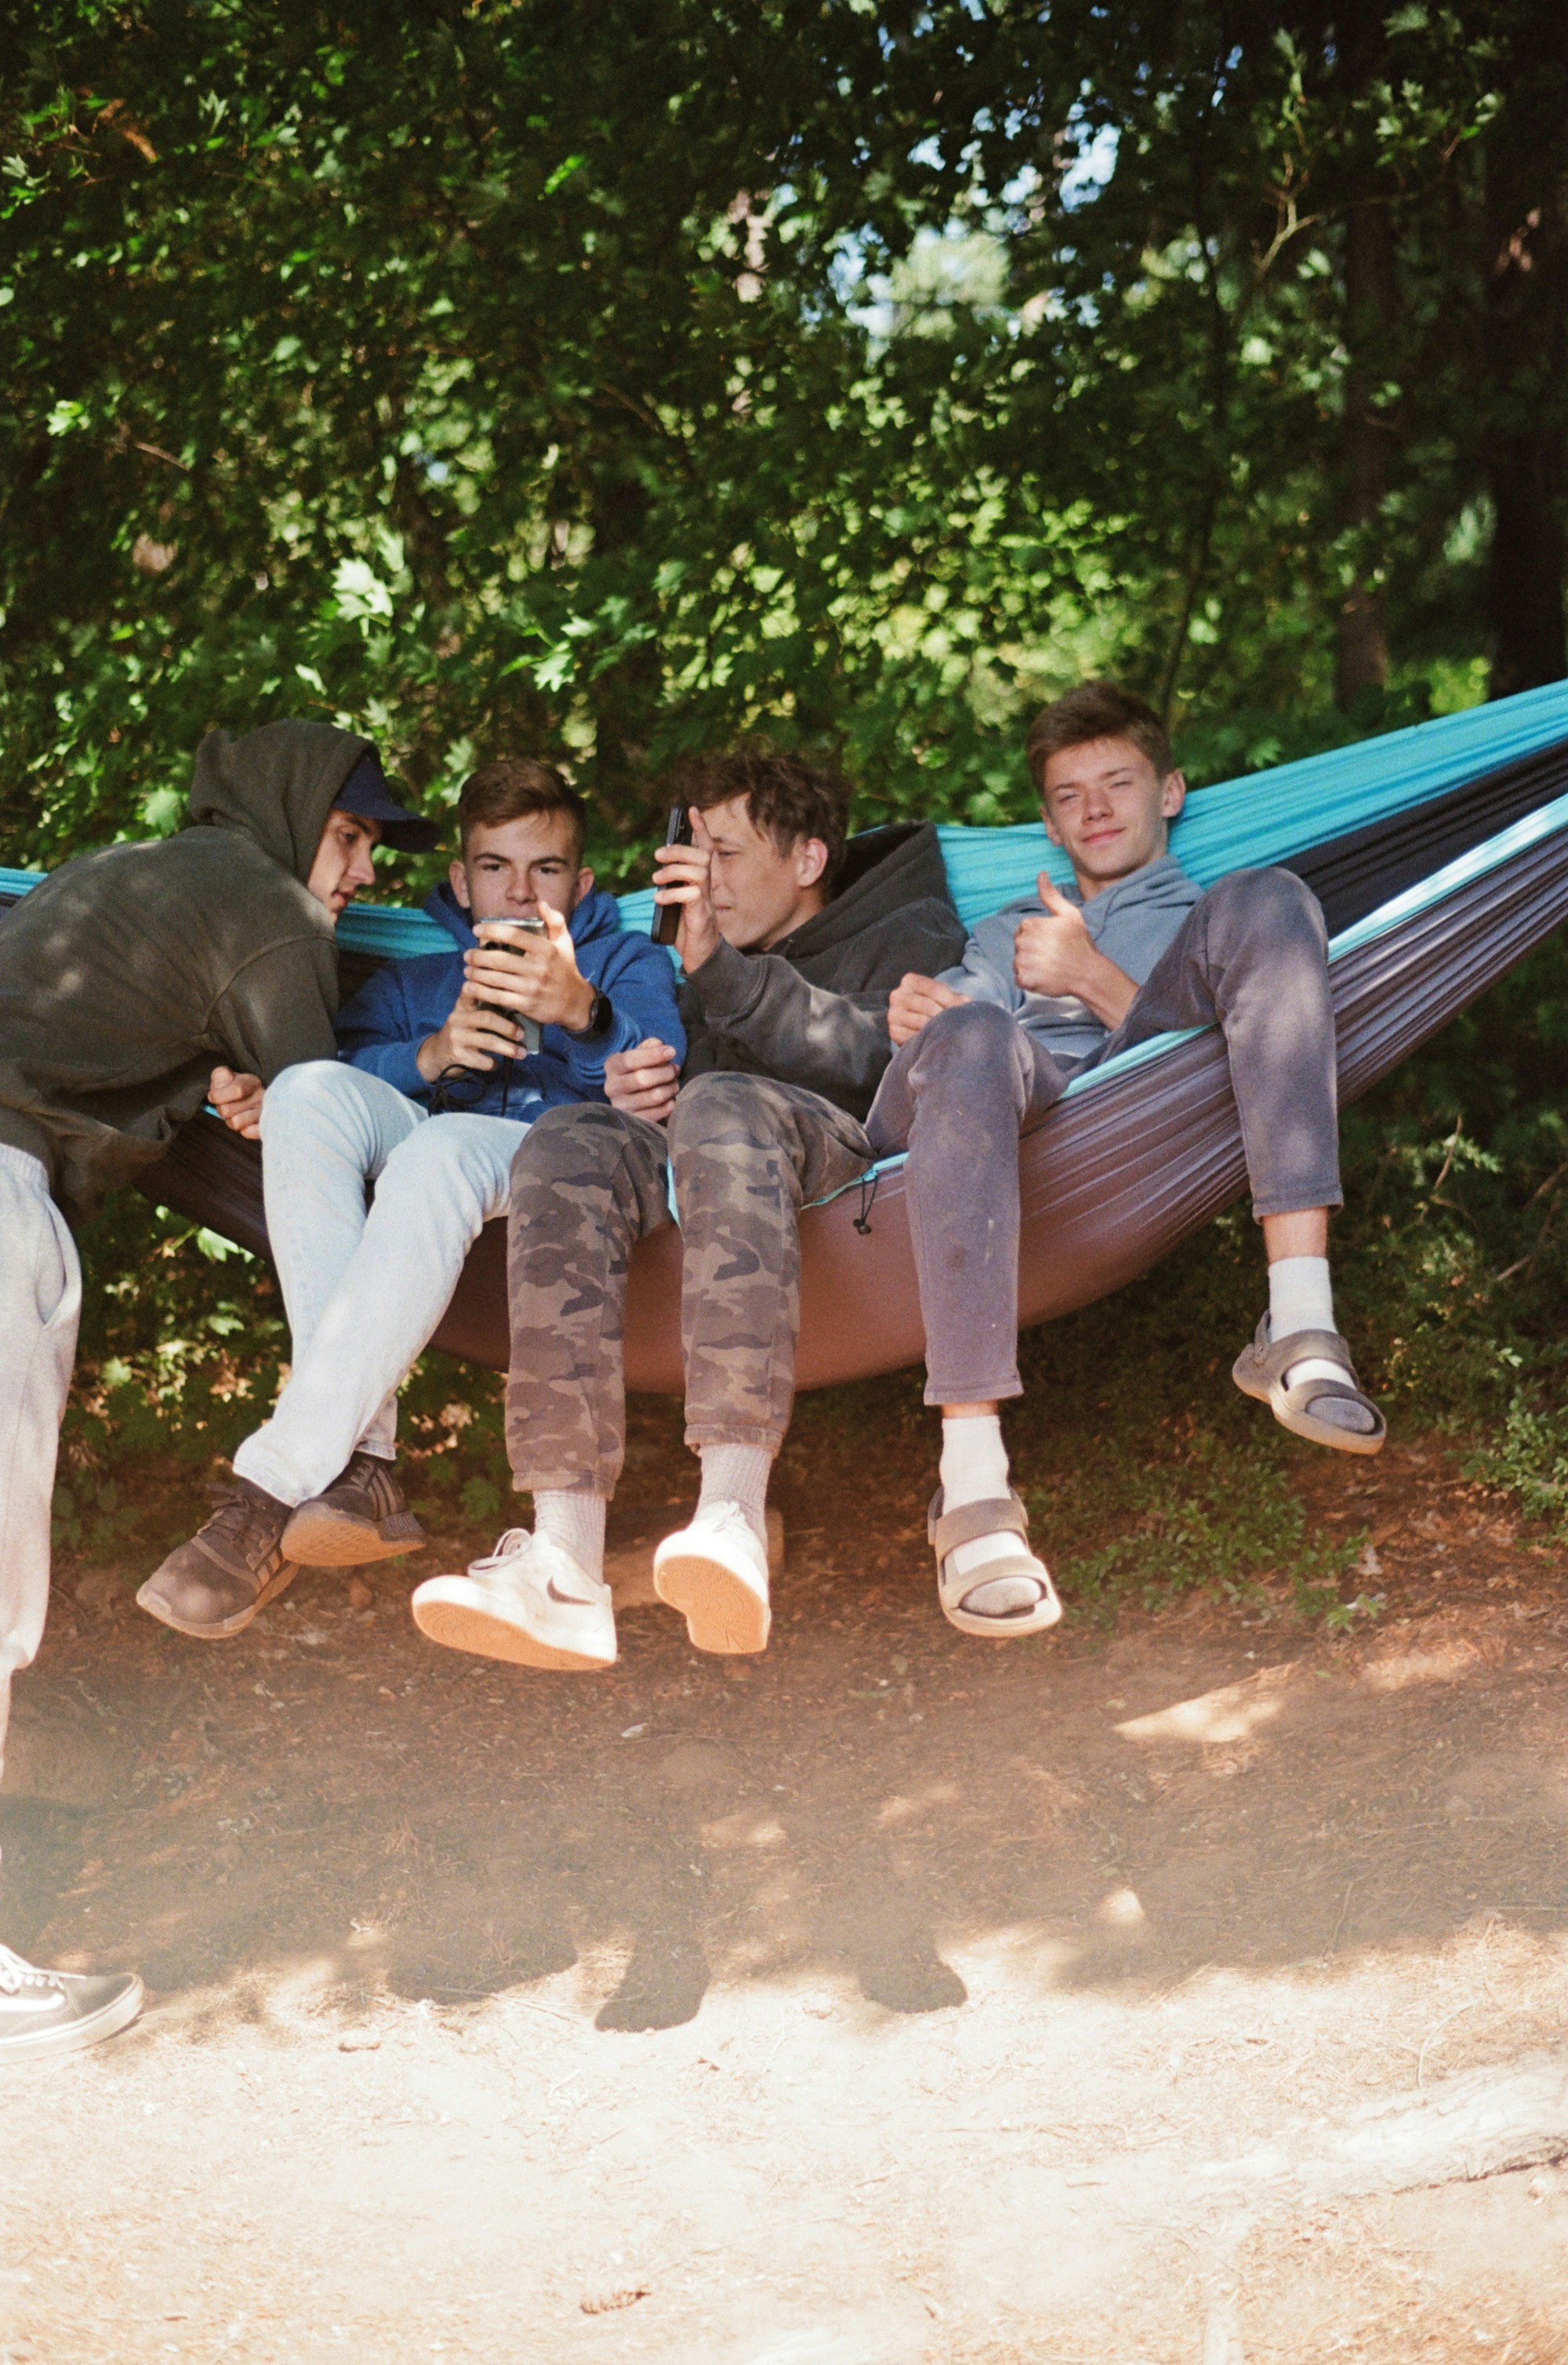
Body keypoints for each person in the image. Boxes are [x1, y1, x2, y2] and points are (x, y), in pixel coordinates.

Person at [0, 716, 434, 2058]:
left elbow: (99, 1041)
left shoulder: (135, 877)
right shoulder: (265, 910)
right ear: (299, 812)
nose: (358, 873)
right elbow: (322, 1126)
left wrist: (202, 1077)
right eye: (352, 835)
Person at [406, 745, 968, 1671]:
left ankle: (731, 1515)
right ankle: (563, 1561)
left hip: (849, 1165)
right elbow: (673, 1082)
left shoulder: (905, 922)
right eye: (692, 852)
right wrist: (635, 1085)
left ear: (807, 860)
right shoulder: (697, 951)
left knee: (723, 1103)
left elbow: (881, 1060)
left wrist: (718, 980)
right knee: (568, 1138)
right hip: (702, 1153)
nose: (702, 880)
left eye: (727, 853)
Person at [870, 679, 1382, 1639]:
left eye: (1117, 782)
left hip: (1139, 1099)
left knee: (1275, 895)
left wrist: (1085, 976)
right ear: (1049, 825)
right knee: (972, 1030)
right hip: (1007, 1110)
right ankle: (971, 1483)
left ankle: (1302, 1323)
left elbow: (1243, 1051)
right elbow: (945, 1039)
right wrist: (919, 1021)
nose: (1095, 808)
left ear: (1171, 792)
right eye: (1070, 795)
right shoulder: (999, 932)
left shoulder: (1217, 928)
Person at [140, 759, 684, 1639]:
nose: (516, 891)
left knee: (438, 1145)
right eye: (495, 868)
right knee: (307, 1094)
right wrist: (430, 1057)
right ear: (461, 880)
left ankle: (273, 1484)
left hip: (559, 1169)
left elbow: (654, 1069)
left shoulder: (621, 955)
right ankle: (361, 1459)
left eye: (543, 869)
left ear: (579, 884)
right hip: (432, 1180)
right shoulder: (410, 980)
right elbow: (338, 1077)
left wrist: (580, 1013)